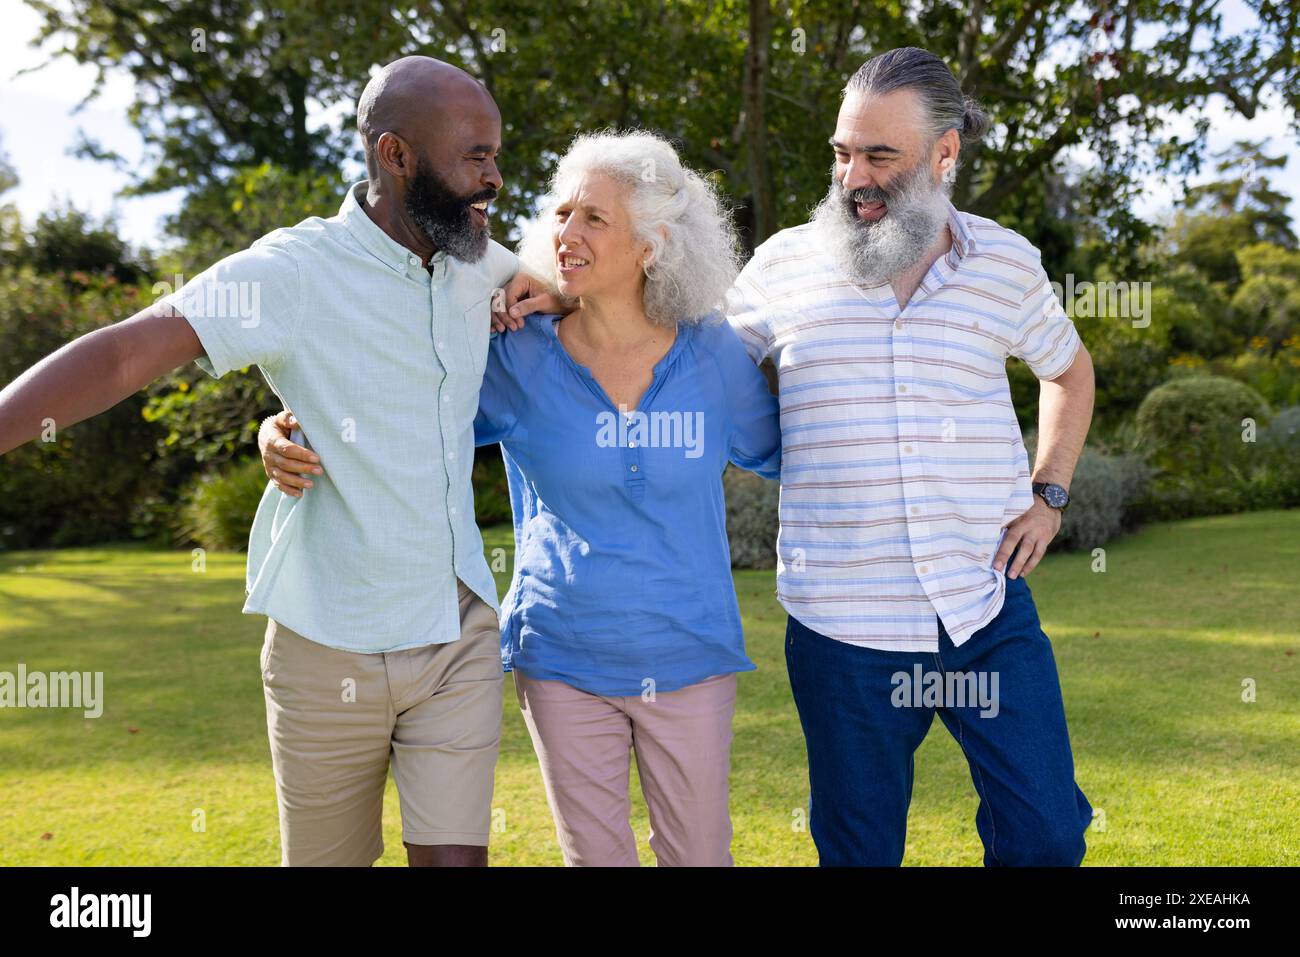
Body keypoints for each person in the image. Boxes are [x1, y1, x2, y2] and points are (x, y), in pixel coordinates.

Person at [497, 47, 1098, 867]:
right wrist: (571, 282)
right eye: (843, 153)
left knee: (1048, 835)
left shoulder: (1006, 266)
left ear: (945, 155)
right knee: (858, 853)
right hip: (844, 629)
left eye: (880, 156)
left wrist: (1049, 489)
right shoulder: (781, 266)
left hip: (983, 605)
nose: (855, 175)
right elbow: (671, 337)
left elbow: (1067, 366)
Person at [0, 56, 551, 867]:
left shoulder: (475, 257)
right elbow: (124, 356)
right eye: (475, 157)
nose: (496, 178)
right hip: (327, 641)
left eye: (495, 154)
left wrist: (546, 291)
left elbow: (579, 285)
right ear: (394, 155)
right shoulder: (291, 271)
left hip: (456, 628)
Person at [259, 130, 782, 866]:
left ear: (652, 244)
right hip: (562, 655)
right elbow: (397, 414)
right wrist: (282, 425)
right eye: (563, 212)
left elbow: (795, 450)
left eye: (594, 218)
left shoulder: (713, 353)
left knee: (700, 854)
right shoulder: (517, 352)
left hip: (690, 654)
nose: (565, 231)